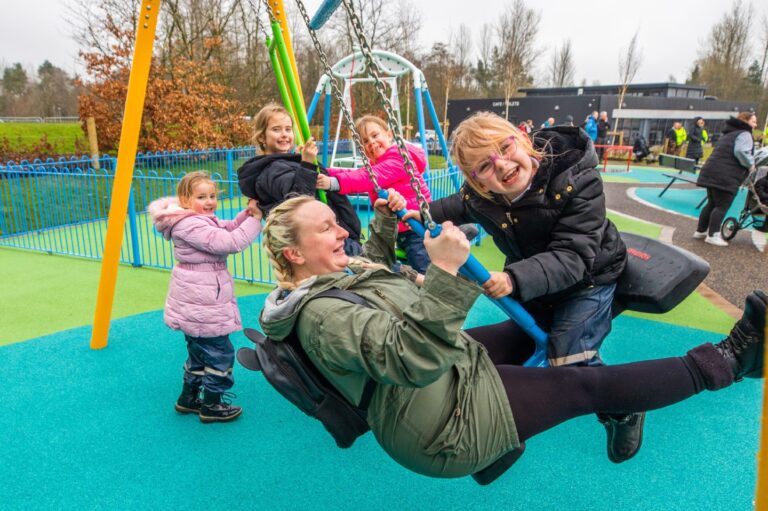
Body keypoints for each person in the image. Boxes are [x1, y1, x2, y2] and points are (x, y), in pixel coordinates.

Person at [258, 192, 767, 480]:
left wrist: (387, 222)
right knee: (580, 384)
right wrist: (445, 274)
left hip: (436, 382)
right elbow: (411, 357)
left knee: (544, 327)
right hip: (438, 424)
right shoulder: (321, 316)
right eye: (325, 229)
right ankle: (731, 360)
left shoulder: (332, 278)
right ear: (296, 256)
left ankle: (607, 308)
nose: (341, 231)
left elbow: (373, 266)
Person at [414, 111, 649, 461]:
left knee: (569, 357)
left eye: (504, 148)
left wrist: (514, 279)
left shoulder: (575, 179)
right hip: (539, 279)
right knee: (505, 348)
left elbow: (573, 256)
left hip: (589, 278)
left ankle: (623, 409)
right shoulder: (480, 198)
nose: (502, 165)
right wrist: (412, 212)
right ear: (478, 182)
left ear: (522, 140)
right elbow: (442, 208)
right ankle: (505, 423)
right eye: (485, 167)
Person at [149, 171, 262, 423]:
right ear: (185, 199)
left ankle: (188, 398)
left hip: (197, 296)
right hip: (203, 298)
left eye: (212, 196)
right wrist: (257, 221)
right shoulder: (190, 224)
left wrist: (247, 215)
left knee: (199, 352)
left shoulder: (195, 218)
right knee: (219, 351)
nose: (210, 201)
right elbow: (230, 242)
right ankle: (211, 404)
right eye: (202, 196)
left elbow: (227, 227)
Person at [237, 103, 363, 256]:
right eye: (276, 129)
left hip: (336, 235)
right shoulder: (270, 171)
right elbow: (298, 201)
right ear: (262, 137)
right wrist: (307, 164)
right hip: (324, 242)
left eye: (288, 129)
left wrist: (300, 162)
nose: (284, 134)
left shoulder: (282, 164)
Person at [315, 115, 432, 273]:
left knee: (420, 260)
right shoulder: (376, 164)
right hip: (399, 229)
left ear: (389, 135)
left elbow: (368, 178)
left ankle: (431, 288)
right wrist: (325, 171)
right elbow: (357, 173)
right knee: (380, 257)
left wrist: (334, 183)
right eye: (365, 141)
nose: (371, 142)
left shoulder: (400, 158)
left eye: (375, 135)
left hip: (416, 228)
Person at [694, 112, 758, 247]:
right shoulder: (745, 134)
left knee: (711, 203)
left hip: (712, 171)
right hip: (726, 175)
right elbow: (741, 151)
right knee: (722, 206)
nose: (756, 124)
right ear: (746, 122)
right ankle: (713, 235)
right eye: (753, 121)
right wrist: (751, 165)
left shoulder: (729, 133)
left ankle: (701, 231)